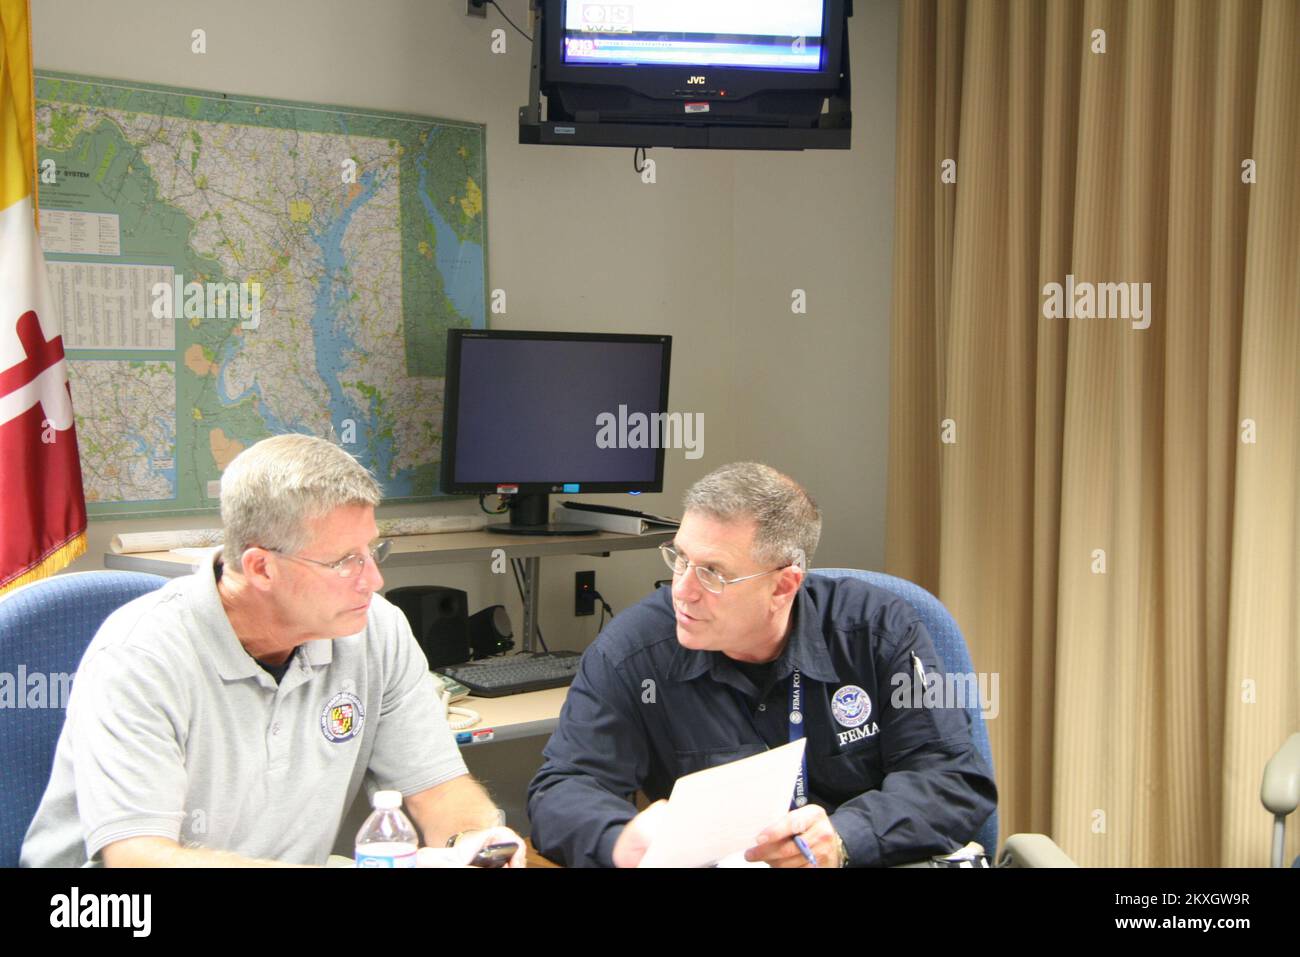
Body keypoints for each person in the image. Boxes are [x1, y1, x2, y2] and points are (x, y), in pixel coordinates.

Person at [22, 434, 525, 867]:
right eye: (345, 561)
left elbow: (436, 788)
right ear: (261, 567)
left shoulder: (376, 630)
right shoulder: (142, 655)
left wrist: (474, 839)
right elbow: (139, 858)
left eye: (373, 550)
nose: (374, 579)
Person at [527, 462, 996, 867]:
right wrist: (619, 841)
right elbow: (562, 789)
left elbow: (952, 779)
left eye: (712, 572)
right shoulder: (633, 653)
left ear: (783, 585)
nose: (683, 590)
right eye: (680, 560)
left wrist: (843, 838)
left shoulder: (880, 631)